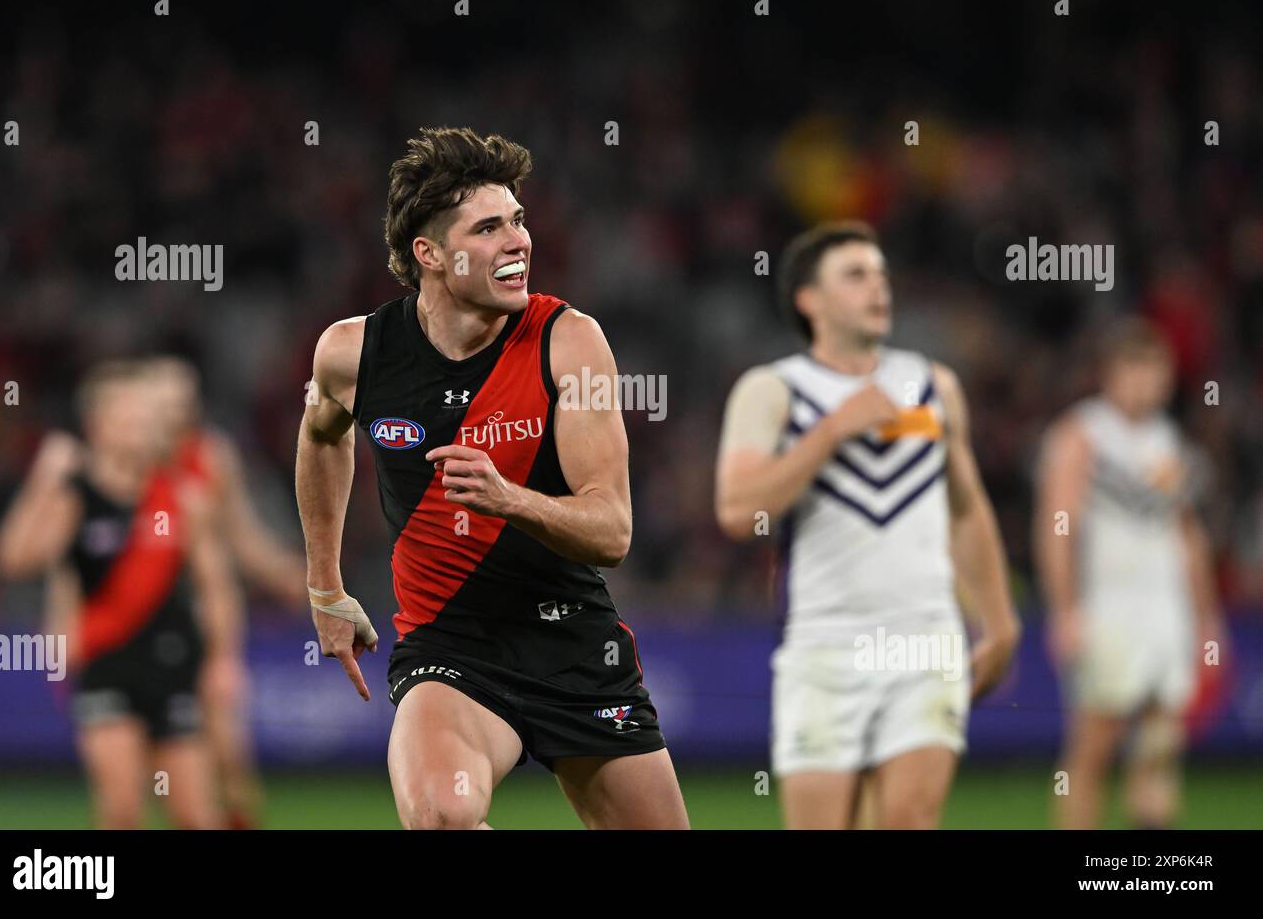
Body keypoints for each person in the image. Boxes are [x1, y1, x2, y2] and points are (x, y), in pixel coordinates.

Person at [295, 126, 689, 829]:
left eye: (518, 220)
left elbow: (613, 531)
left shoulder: (570, 341)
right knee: (443, 816)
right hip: (450, 646)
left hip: (573, 641)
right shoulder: (354, 353)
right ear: (431, 255)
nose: (518, 241)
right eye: (489, 228)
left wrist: (510, 500)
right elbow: (321, 437)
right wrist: (325, 586)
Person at [715, 221, 1020, 829]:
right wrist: (830, 432)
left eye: (881, 273)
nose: (878, 287)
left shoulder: (933, 385)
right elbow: (736, 511)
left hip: (925, 636)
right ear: (810, 299)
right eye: (855, 275)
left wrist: (1000, 619)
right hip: (826, 644)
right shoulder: (775, 390)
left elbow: (965, 508)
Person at [0, 360, 236, 829]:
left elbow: (216, 586)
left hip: (175, 667)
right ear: (98, 424)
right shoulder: (75, 495)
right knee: (123, 809)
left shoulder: (183, 496)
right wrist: (43, 480)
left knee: (196, 816)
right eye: (130, 416)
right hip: (106, 665)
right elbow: (16, 558)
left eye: (147, 417)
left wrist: (222, 659)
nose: (144, 427)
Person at [1035, 318, 1222, 829]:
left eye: (1155, 371)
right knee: (1093, 748)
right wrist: (1065, 608)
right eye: (1135, 370)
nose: (1146, 383)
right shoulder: (1082, 434)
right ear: (1110, 374)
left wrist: (1207, 617)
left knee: (1161, 748)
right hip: (1109, 605)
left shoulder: (1171, 440)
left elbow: (1188, 536)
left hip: (1167, 608)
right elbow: (1057, 525)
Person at [147, 355, 309, 829]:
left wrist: (286, 573)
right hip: (146, 621)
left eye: (183, 401)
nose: (176, 411)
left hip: (208, 614)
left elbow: (239, 534)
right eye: (165, 402)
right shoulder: (127, 465)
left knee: (229, 760)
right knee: (167, 769)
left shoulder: (210, 455)